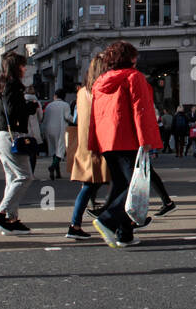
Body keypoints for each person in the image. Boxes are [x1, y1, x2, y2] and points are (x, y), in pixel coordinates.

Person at [88, 41, 169, 247]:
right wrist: (146, 141)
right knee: (136, 186)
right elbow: (141, 110)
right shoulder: (134, 77)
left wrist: (95, 143)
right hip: (128, 139)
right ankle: (108, 220)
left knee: (121, 185)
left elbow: (94, 116)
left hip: (107, 141)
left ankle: (125, 233)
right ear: (130, 58)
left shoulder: (100, 82)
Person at [0, 52, 38, 234]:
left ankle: (11, 218)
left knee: (12, 178)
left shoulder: (1, 85)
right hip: (12, 136)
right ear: (16, 67)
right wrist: (30, 107)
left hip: (2, 136)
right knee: (25, 176)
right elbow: (14, 110)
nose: (25, 69)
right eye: (23, 66)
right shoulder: (13, 85)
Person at [67, 62, 109, 240]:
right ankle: (109, 220)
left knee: (90, 185)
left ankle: (77, 223)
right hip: (101, 143)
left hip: (84, 144)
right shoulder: (100, 93)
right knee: (115, 182)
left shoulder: (82, 93)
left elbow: (76, 119)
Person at [42, 88, 71, 181]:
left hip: (49, 129)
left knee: (54, 149)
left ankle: (57, 173)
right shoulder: (65, 105)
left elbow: (44, 118)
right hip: (60, 129)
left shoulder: (49, 105)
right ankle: (53, 167)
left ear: (55, 96)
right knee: (60, 150)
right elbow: (67, 117)